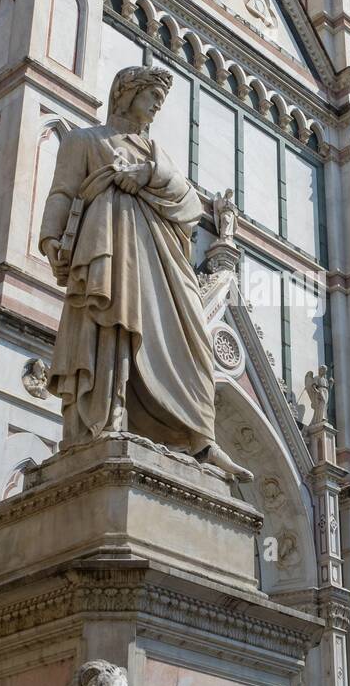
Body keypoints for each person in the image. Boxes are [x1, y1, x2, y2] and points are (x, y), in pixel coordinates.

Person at [39, 64, 249, 478]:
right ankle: (110, 420)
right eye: (151, 96)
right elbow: (62, 191)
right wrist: (50, 240)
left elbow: (189, 206)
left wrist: (148, 175)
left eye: (160, 100)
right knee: (113, 327)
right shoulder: (86, 141)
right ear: (126, 94)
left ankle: (199, 440)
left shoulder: (157, 157)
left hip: (162, 266)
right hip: (110, 250)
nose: (156, 107)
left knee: (195, 344)